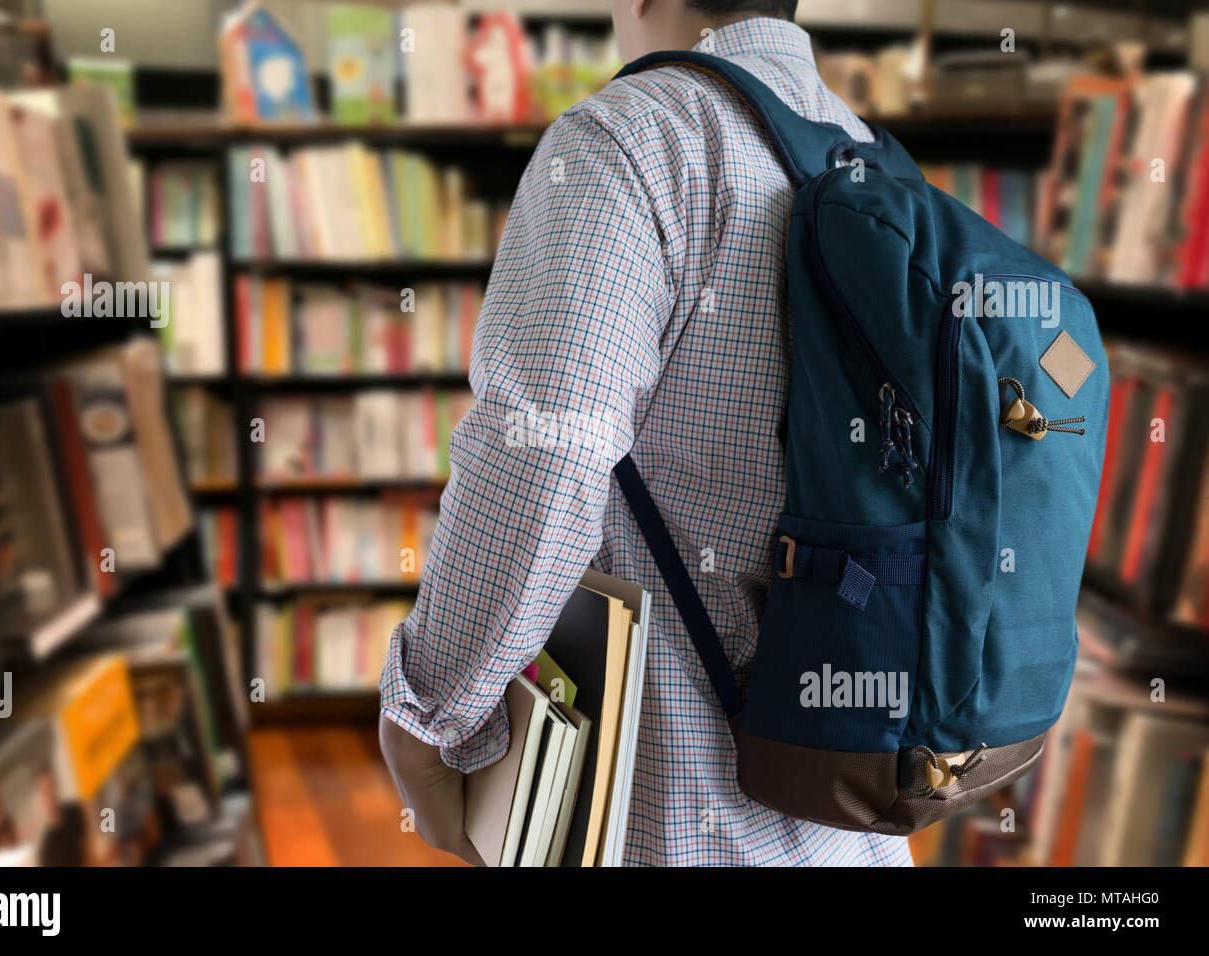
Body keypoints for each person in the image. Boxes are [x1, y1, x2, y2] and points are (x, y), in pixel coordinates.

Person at [378, 0, 913, 866]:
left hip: (676, 815)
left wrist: (427, 714)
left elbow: (541, 457)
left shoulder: (633, 138)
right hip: (857, 818)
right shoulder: (882, 165)